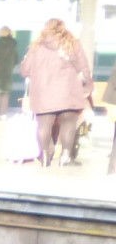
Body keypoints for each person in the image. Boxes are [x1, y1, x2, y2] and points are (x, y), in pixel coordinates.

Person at [17, 18, 92, 166]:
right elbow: (84, 68)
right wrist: (88, 87)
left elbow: (25, 70)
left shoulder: (36, 47)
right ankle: (65, 157)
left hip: (43, 93)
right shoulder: (72, 44)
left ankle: (45, 156)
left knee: (44, 125)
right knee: (69, 124)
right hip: (68, 91)